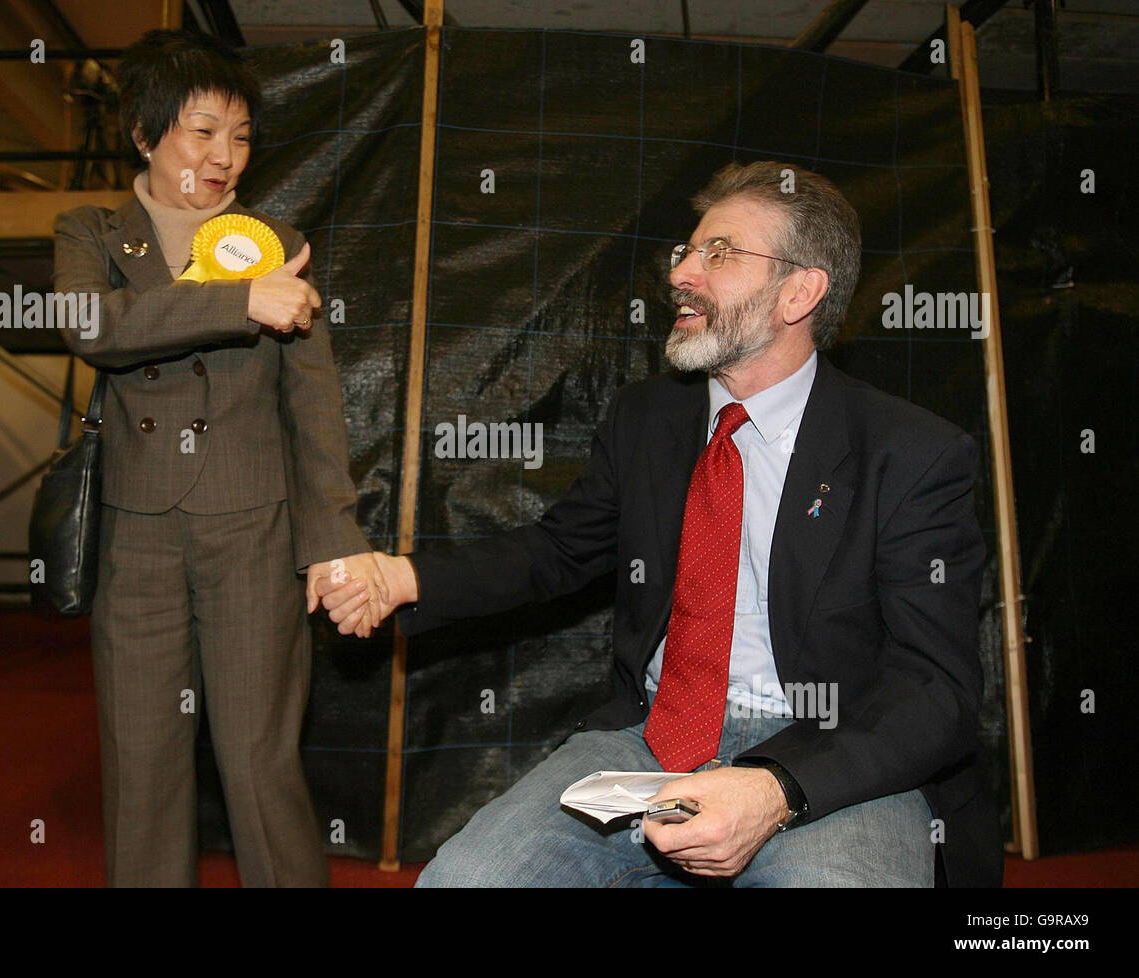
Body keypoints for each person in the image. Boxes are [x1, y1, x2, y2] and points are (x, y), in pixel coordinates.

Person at [319, 160, 1003, 887]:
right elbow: (559, 550)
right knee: (462, 881)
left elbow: (938, 687)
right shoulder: (650, 417)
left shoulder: (913, 453)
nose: (682, 273)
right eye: (685, 251)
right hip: (653, 738)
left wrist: (775, 788)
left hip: (834, 756)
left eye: (721, 253)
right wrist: (404, 576)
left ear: (799, 292)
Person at [52, 29, 387, 887]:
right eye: (204, 132)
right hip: (136, 538)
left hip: (255, 537)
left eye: (240, 137)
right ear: (145, 132)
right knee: (141, 761)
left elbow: (312, 408)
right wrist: (242, 300)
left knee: (260, 758)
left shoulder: (272, 239)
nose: (225, 156)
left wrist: (333, 540)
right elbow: (94, 330)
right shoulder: (90, 230)